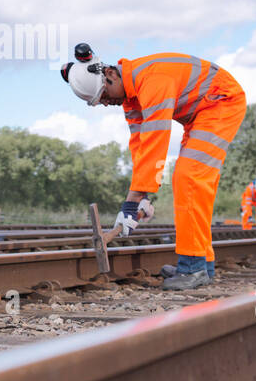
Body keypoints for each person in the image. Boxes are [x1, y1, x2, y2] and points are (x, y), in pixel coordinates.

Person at [61, 45, 246, 289]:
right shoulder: (130, 98)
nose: (107, 103)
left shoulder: (153, 80)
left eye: (105, 95)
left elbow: (156, 142)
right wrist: (142, 198)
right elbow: (141, 148)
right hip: (200, 114)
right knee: (192, 183)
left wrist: (130, 203)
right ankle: (202, 264)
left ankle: (193, 268)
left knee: (188, 178)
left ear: (111, 74)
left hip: (221, 103)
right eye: (100, 102)